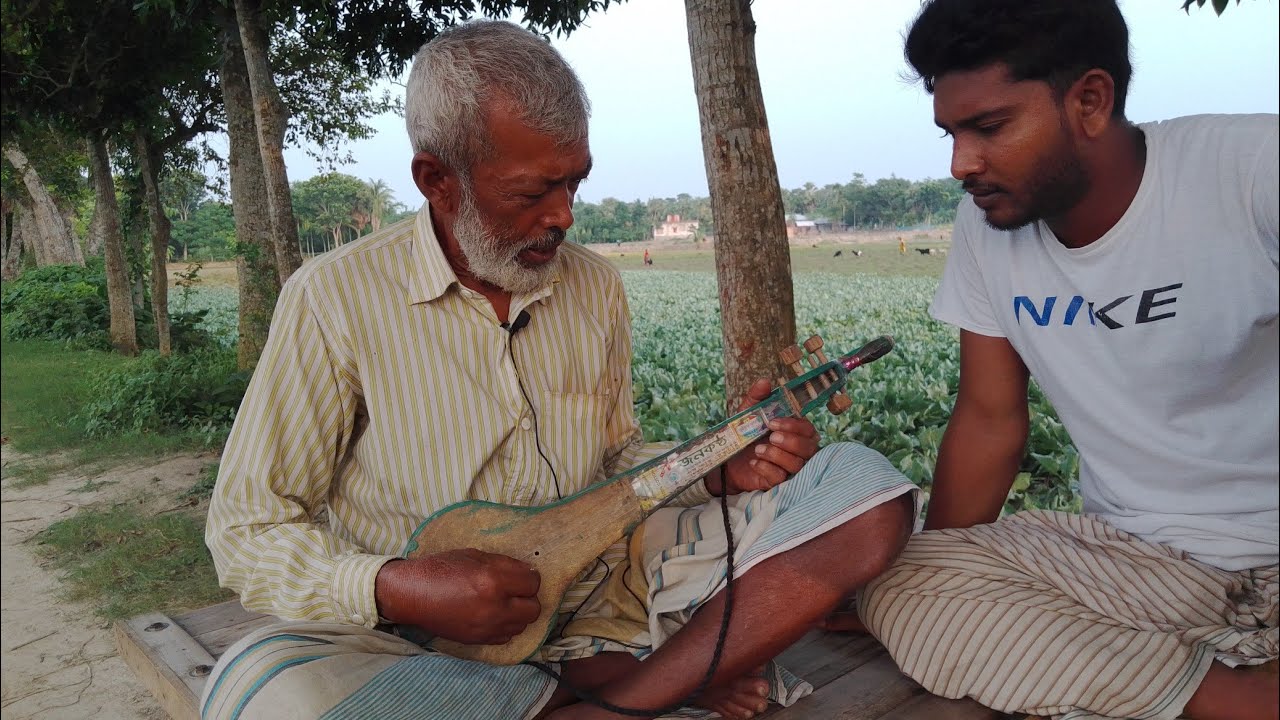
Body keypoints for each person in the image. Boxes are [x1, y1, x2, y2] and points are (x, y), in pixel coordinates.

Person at [200, 20, 918, 720]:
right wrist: (396, 587)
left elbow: (618, 459)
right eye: (531, 192)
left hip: (605, 581)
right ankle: (666, 672)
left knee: (864, 490)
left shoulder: (594, 286)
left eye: (574, 183)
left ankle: (617, 699)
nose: (564, 216)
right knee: (264, 689)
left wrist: (716, 472)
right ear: (436, 181)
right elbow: (248, 528)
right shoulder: (333, 297)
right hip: (420, 636)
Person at [838, 2, 1279, 719]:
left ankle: (1173, 684)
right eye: (951, 133)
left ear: (1091, 101)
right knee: (889, 576)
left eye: (990, 127)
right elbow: (988, 419)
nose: (961, 164)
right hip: (1133, 562)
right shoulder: (987, 227)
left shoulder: (1250, 171)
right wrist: (938, 572)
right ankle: (1230, 693)